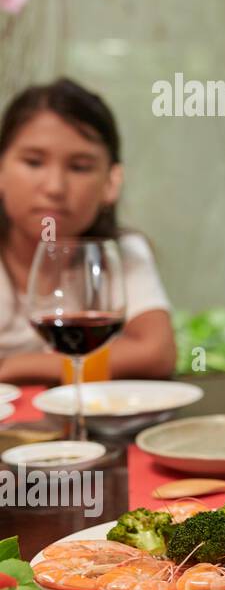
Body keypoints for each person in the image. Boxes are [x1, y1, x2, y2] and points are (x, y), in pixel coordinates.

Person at [0, 79, 175, 382]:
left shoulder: (120, 253)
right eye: (33, 162)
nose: (54, 187)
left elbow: (156, 353)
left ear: (111, 182)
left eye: (79, 167)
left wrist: (13, 368)